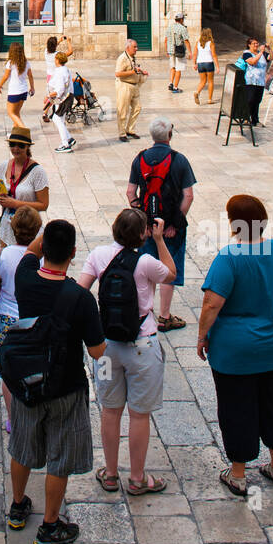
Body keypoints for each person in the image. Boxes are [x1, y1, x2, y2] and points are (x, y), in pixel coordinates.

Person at [6, 220, 106, 544]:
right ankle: (50, 525)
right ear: (74, 253)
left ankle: (18, 506)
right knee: (59, 455)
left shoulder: (24, 278)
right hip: (65, 384)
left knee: (22, 445)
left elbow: (30, 252)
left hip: (26, 380)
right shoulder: (80, 297)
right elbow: (96, 351)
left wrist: (43, 236)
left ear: (44, 249)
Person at [199, 194, 273, 496]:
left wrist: (202, 335)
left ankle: (239, 474)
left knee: (236, 406)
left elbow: (212, 303)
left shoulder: (228, 257)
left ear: (233, 223)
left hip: (237, 349)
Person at [79, 208, 175, 495]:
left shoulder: (98, 256)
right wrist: (159, 241)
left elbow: (83, 290)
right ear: (143, 233)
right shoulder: (145, 262)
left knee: (110, 410)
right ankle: (136, 477)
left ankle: (109, 473)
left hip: (107, 347)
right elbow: (171, 274)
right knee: (139, 415)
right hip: (142, 345)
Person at [126, 117, 196, 332]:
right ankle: (165, 316)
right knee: (168, 269)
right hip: (171, 228)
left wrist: (143, 222)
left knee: (147, 268)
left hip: (147, 226)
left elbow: (131, 192)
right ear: (170, 136)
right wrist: (174, 223)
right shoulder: (180, 160)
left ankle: (145, 312)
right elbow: (188, 195)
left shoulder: (140, 159)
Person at [0, 205, 42, 427]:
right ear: (38, 230)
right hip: (33, 317)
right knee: (33, 366)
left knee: (7, 372)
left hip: (6, 317)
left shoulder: (2, 254)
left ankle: (12, 419)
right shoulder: (40, 258)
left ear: (12, 227)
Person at [0, 126, 49, 248]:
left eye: (21, 145)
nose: (16, 149)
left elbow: (44, 205)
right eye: (12, 144)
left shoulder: (38, 172)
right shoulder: (3, 166)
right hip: (7, 225)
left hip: (28, 227)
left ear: (28, 147)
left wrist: (15, 204)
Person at [114, 38, 147, 142]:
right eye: (134, 47)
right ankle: (122, 133)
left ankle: (130, 130)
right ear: (128, 47)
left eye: (136, 47)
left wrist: (140, 72)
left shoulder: (132, 57)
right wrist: (133, 72)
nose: (136, 49)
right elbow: (118, 74)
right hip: (124, 86)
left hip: (134, 85)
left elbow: (133, 70)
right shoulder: (122, 58)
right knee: (123, 110)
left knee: (137, 108)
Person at [0, 43, 34, 128]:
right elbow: (30, 76)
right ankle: (15, 134)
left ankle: (23, 128)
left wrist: (0, 85)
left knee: (11, 113)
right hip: (23, 91)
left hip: (14, 91)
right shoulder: (26, 63)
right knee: (16, 113)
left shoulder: (10, 63)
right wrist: (32, 87)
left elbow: (6, 76)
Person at [47, 50, 75, 152]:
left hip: (64, 99)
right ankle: (69, 139)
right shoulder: (65, 69)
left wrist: (49, 96)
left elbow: (60, 89)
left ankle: (65, 144)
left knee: (56, 118)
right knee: (60, 120)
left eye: (55, 58)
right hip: (67, 97)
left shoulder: (60, 72)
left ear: (58, 60)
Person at [243, 38, 272, 127]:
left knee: (257, 101)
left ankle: (255, 120)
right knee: (250, 100)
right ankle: (246, 118)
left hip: (260, 82)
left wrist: (269, 49)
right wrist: (260, 52)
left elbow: (271, 57)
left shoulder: (262, 53)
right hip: (251, 81)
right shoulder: (246, 53)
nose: (256, 45)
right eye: (254, 43)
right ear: (249, 45)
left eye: (257, 43)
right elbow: (253, 62)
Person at [193, 27, 219, 104]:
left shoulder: (197, 43)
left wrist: (194, 64)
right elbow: (214, 55)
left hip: (200, 63)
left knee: (202, 81)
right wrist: (217, 66)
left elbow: (195, 54)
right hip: (209, 63)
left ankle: (197, 92)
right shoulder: (211, 43)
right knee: (210, 81)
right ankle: (209, 99)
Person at [167, 12, 191, 93]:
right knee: (178, 69)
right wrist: (190, 52)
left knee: (173, 67)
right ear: (181, 19)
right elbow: (186, 41)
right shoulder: (182, 28)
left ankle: (170, 83)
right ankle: (175, 87)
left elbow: (166, 40)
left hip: (170, 50)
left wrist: (167, 50)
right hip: (179, 51)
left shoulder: (170, 27)